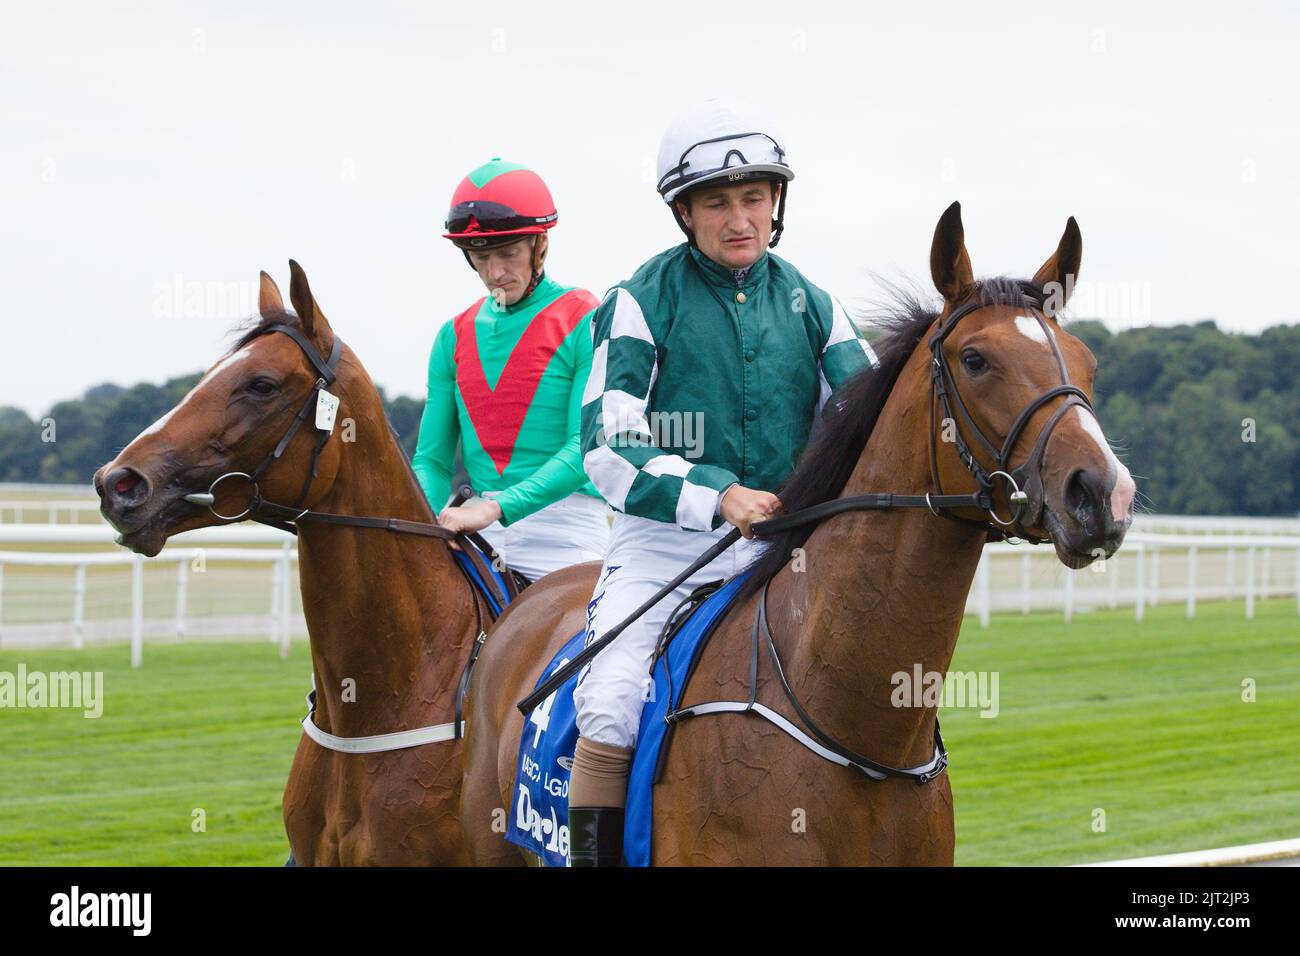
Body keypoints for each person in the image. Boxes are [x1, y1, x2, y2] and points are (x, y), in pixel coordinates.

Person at [567, 99, 879, 865]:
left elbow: (867, 419)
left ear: (777, 204)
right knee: (608, 704)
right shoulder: (641, 299)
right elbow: (607, 446)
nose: (739, 219)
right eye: (717, 202)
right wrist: (719, 495)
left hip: (785, 552)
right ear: (685, 212)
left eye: (754, 199)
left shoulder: (814, 303)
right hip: (663, 552)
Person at [411, 158, 609, 583]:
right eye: (480, 257)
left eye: (508, 253)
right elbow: (432, 460)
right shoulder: (452, 336)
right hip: (478, 531)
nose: (495, 272)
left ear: (541, 245)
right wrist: (423, 523)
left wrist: (497, 507)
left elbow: (584, 449)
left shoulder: (584, 317)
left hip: (567, 534)